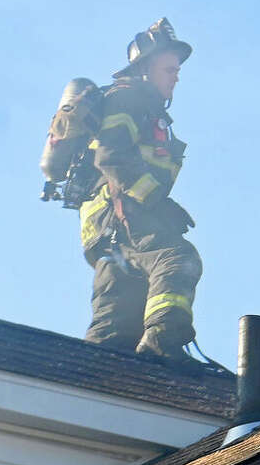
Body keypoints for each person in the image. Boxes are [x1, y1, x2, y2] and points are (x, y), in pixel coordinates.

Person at [80, 19, 201, 360]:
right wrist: (158, 203)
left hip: (108, 226)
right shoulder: (129, 99)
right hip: (123, 214)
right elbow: (111, 155)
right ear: (145, 68)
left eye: (177, 70)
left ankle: (96, 375)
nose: (176, 76)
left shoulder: (144, 108)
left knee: (116, 319)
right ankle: (164, 340)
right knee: (178, 258)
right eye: (169, 68)